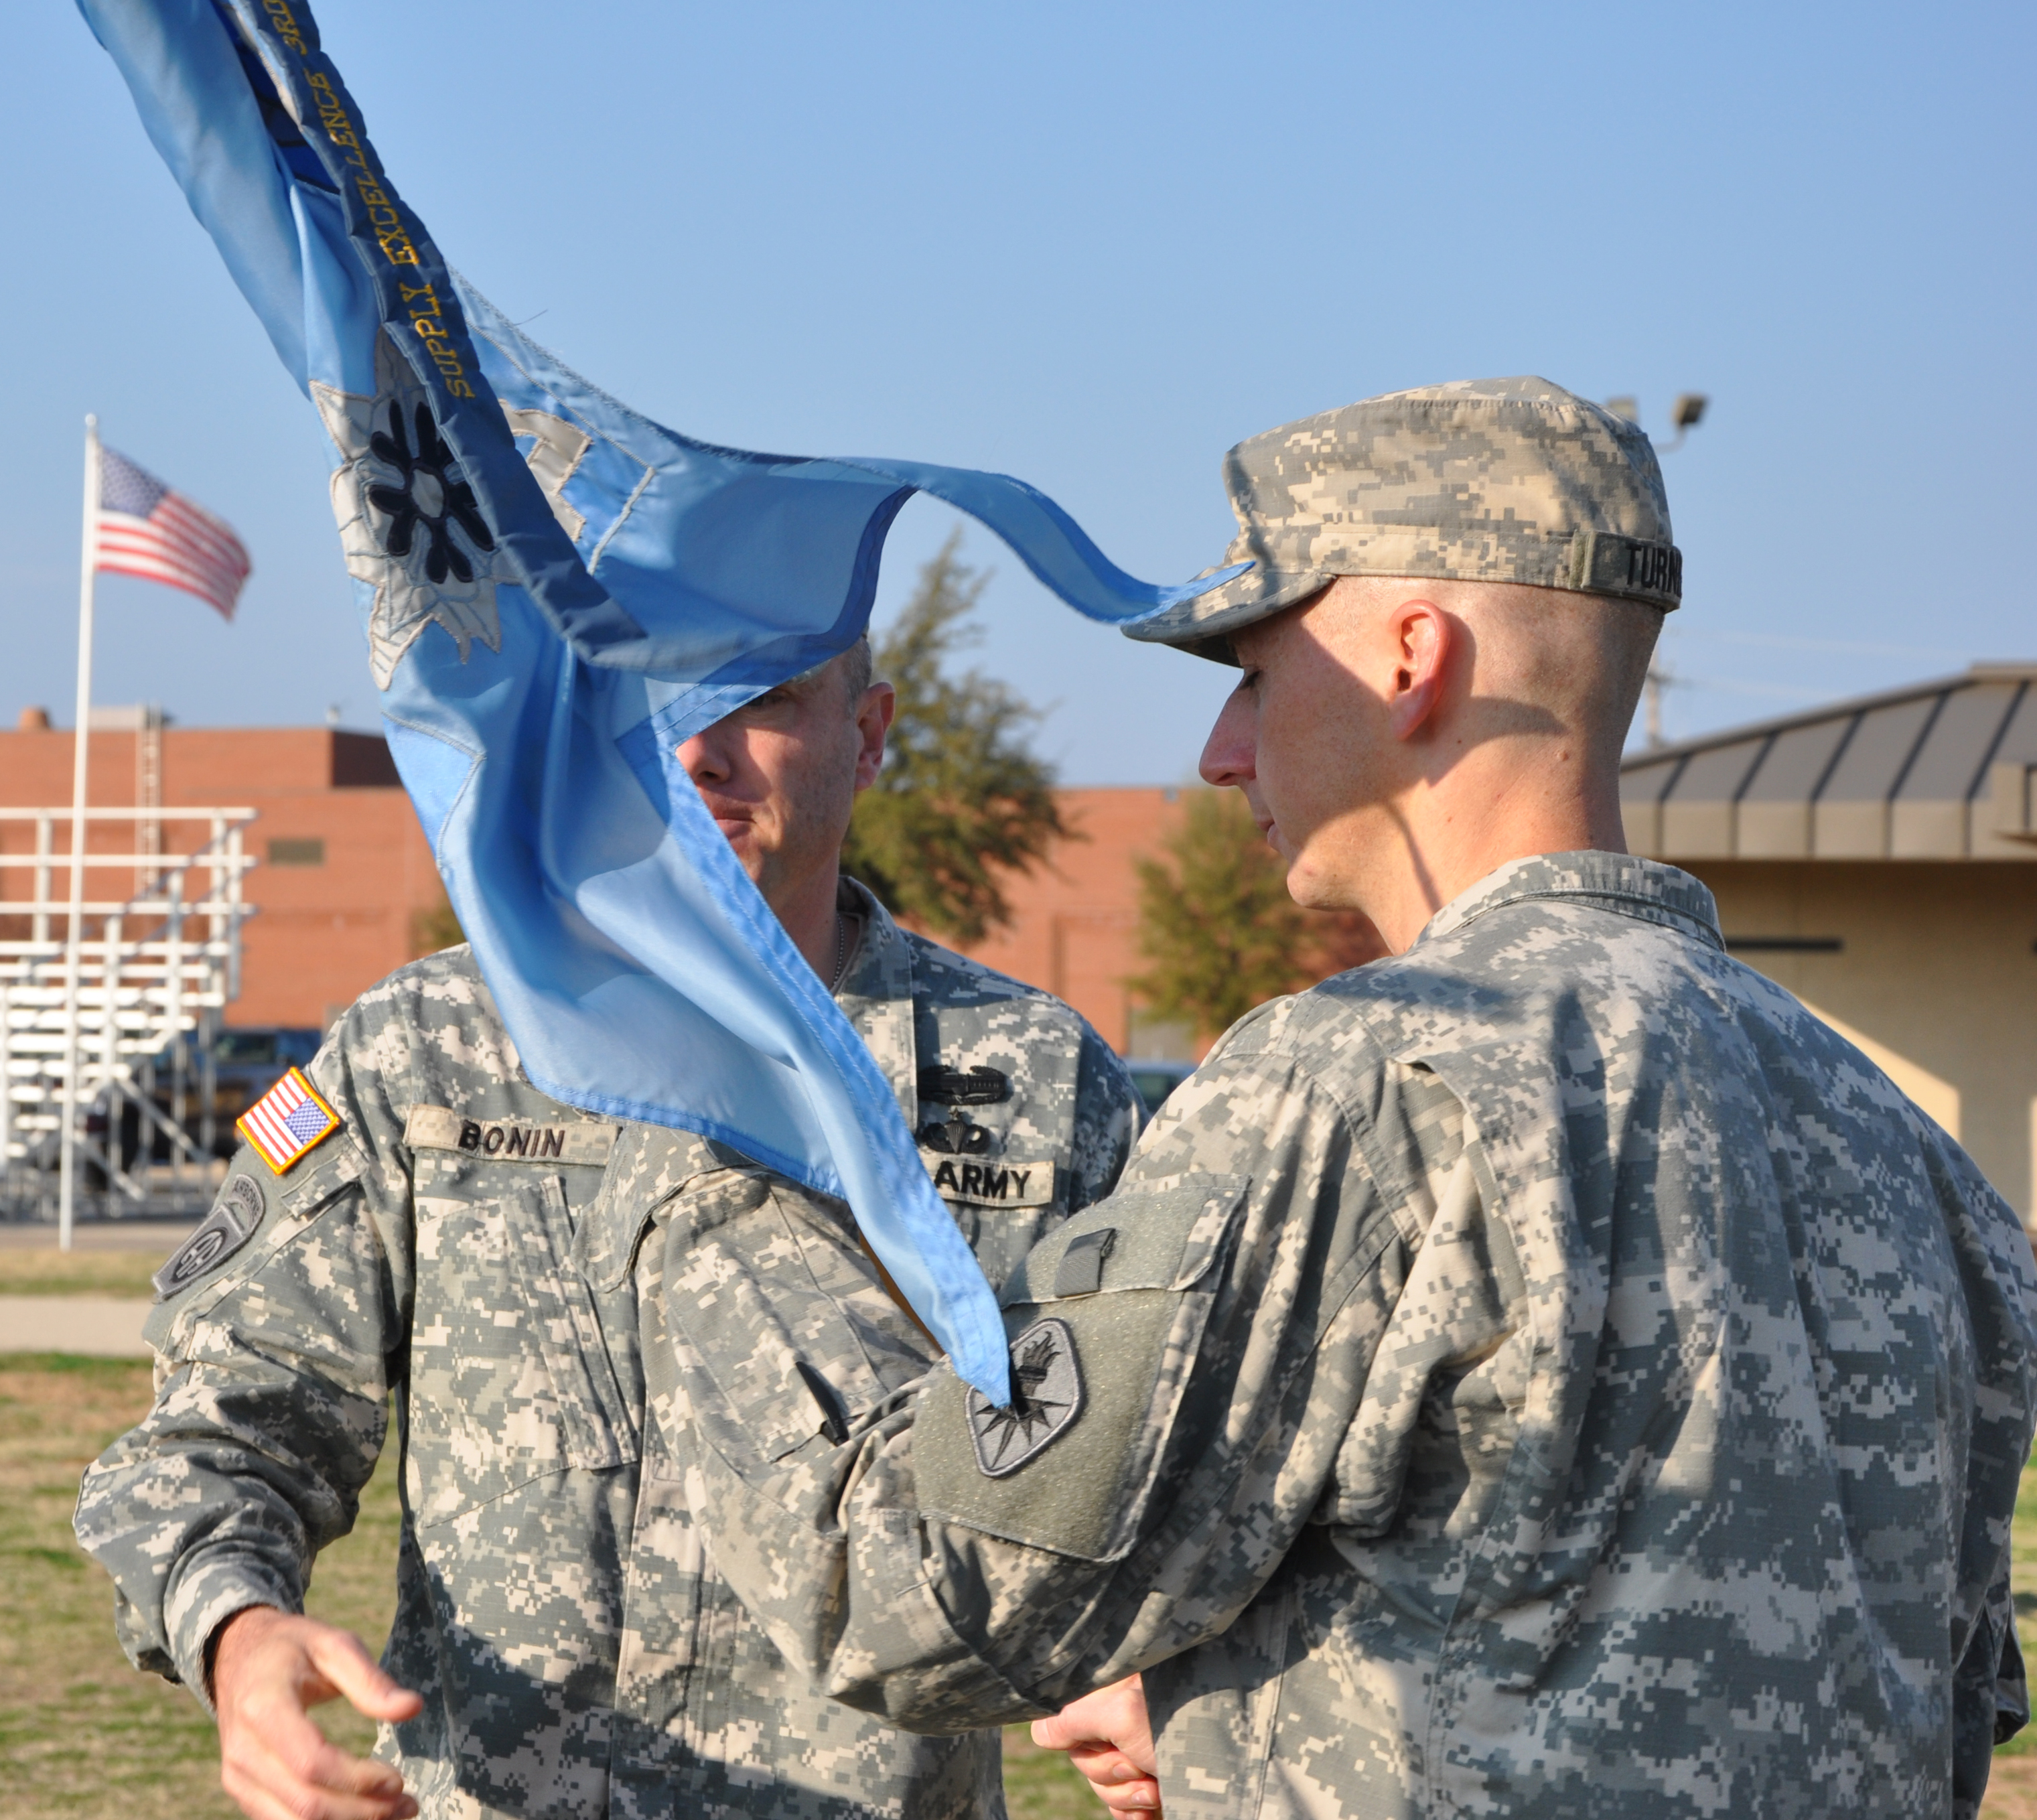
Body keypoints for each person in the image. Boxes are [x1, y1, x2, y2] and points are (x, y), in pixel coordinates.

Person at [647, 378, 2037, 1819]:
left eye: (1250, 672)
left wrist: (706, 1132)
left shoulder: (1365, 1086)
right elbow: (1938, 1705)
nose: (1220, 750)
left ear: (1411, 662)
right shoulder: (1908, 1154)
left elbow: (907, 1584)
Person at [74, 638, 1142, 1820]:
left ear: (869, 732)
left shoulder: (1032, 1082)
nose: (695, 751)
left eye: (760, 699)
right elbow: (229, 1418)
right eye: (648, 707)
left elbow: (1153, 1471)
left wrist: (1151, 1673)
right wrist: (237, 1628)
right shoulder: (432, 1048)